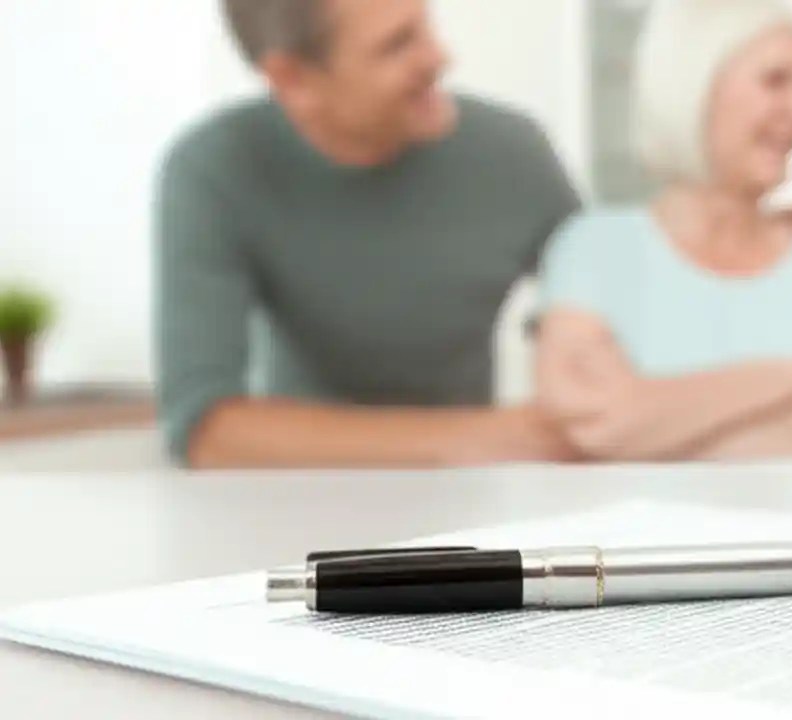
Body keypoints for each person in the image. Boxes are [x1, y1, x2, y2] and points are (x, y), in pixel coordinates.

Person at [155, 0, 585, 468]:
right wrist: (495, 437)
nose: (440, 57)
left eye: (425, 26)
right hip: (294, 500)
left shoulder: (514, 155)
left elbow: (627, 323)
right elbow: (206, 430)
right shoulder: (215, 168)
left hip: (471, 499)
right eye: (397, 44)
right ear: (292, 79)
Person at [535, 0, 792, 462]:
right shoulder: (592, 249)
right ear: (694, 84)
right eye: (775, 81)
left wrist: (659, 425)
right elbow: (598, 421)